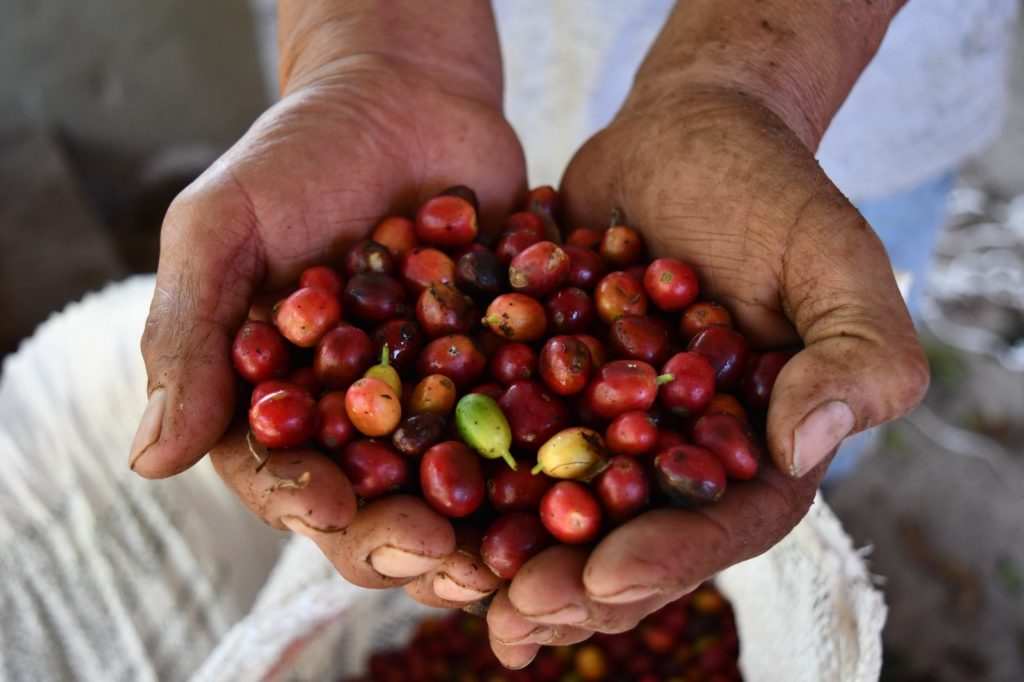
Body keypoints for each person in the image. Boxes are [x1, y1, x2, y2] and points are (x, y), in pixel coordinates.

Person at [1, 0, 1014, 678]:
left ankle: (798, 500)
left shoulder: (505, 358)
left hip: (826, 66)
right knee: (758, 421)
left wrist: (753, 79)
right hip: (435, 64)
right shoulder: (484, 343)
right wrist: (381, 47)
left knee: (799, 391)